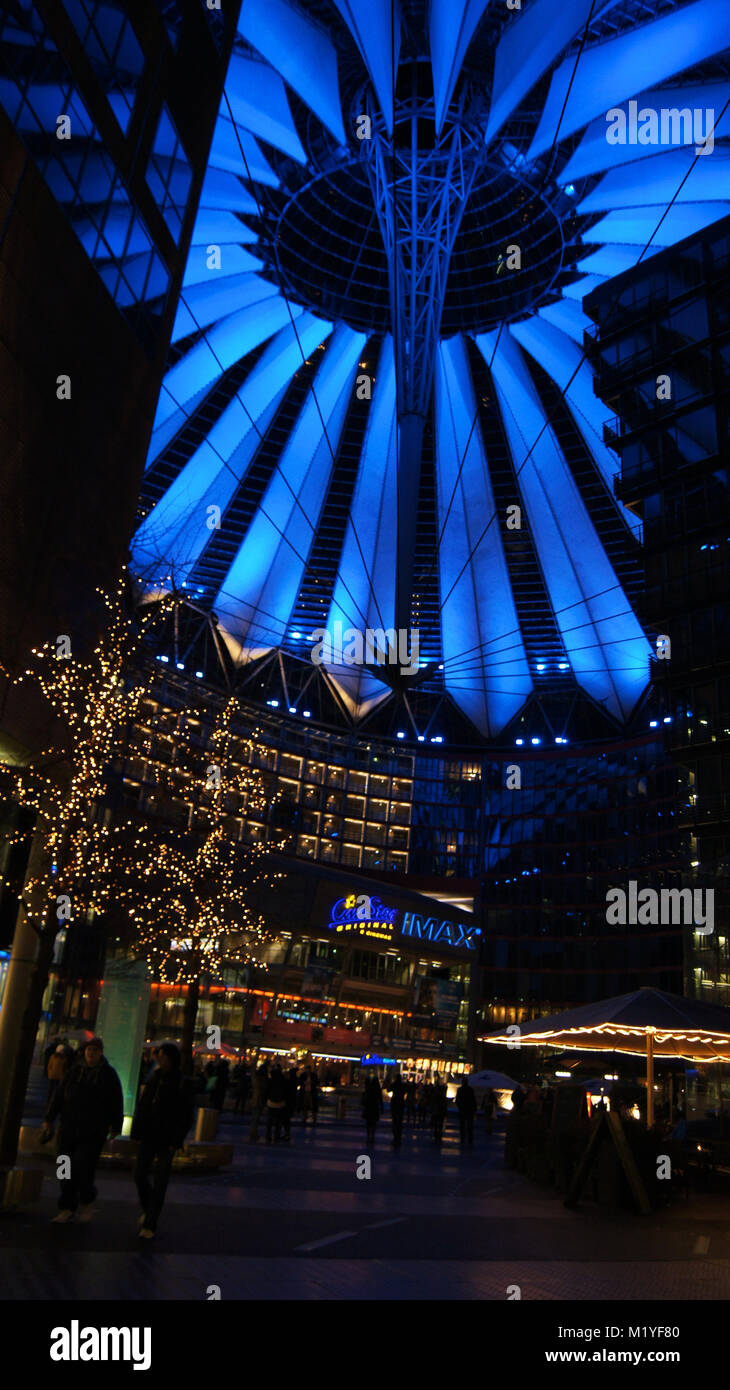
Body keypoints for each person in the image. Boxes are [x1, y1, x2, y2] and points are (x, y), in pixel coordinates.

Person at [41, 1036, 123, 1224]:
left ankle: (85, 1201)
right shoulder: (74, 1071)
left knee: (83, 1166)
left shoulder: (108, 1075)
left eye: (94, 1050)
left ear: (100, 1052)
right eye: (89, 1050)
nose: (91, 1053)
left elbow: (116, 1101)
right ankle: (66, 1205)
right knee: (64, 1166)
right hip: (68, 1127)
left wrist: (115, 1125)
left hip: (92, 1130)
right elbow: (59, 1095)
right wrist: (49, 1118)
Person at [131, 1042, 195, 1240]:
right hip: (150, 1134)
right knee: (140, 1174)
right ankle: (149, 1210)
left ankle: (150, 1223)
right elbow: (143, 1105)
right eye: (160, 1056)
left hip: (167, 1138)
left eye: (164, 1057)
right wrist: (137, 1131)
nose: (161, 1060)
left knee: (160, 1181)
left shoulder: (181, 1082)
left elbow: (185, 1114)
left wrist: (176, 1140)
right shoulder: (155, 1078)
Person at [264, 1064, 287, 1144]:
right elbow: (285, 1091)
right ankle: (276, 1136)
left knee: (270, 1120)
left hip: (271, 1102)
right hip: (280, 1103)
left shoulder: (271, 1080)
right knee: (278, 1121)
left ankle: (268, 1136)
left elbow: (267, 1090)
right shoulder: (283, 1079)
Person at [249, 1060, 268, 1142]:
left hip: (255, 1100)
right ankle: (254, 1133)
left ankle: (253, 1132)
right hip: (259, 1100)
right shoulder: (262, 1081)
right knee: (256, 1118)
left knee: (255, 1118)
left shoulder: (255, 1079)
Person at [362, 1071, 383, 1146]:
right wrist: (382, 1107)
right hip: (375, 1106)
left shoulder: (369, 1088)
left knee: (368, 1122)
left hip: (369, 1106)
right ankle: (372, 1136)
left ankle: (368, 1136)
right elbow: (380, 1099)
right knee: (373, 1123)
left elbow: (365, 1097)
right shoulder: (377, 1089)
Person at [455, 1076, 477, 1145]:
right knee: (469, 1125)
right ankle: (470, 1139)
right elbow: (473, 1100)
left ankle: (463, 1139)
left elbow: (457, 1100)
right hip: (469, 1110)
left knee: (462, 1125)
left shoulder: (460, 1090)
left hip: (462, 1109)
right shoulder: (470, 1090)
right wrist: (474, 1108)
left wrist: (459, 1106)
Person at [390, 1073, 406, 1150]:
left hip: (395, 1103)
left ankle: (395, 1136)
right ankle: (398, 1137)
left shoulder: (394, 1084)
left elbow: (388, 1089)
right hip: (400, 1104)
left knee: (395, 1121)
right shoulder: (402, 1086)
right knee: (399, 1122)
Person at [283, 1065, 299, 1141]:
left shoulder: (288, 1082)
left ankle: (286, 1134)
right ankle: (287, 1134)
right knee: (287, 1119)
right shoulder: (295, 1081)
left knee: (285, 1119)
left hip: (286, 1102)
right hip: (291, 1102)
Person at [432, 1078, 448, 1145]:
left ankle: (436, 1135)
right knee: (440, 1123)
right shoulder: (442, 1094)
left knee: (436, 1123)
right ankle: (439, 1135)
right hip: (441, 1110)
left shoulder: (435, 1093)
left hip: (437, 1110)